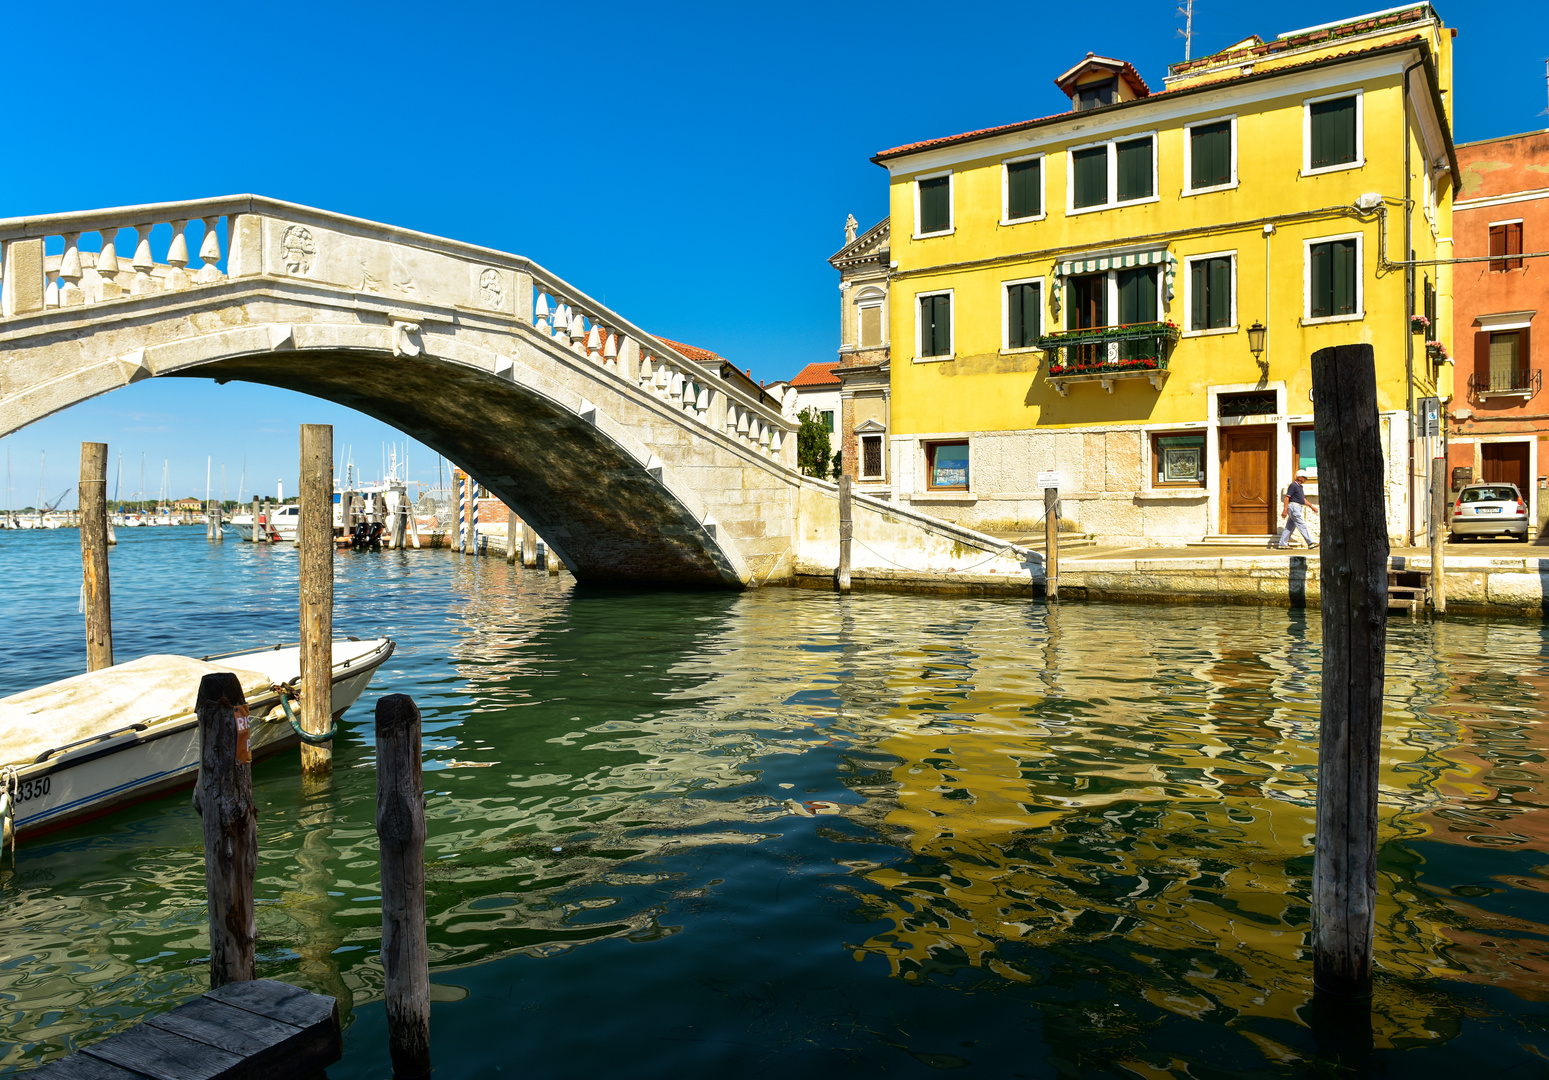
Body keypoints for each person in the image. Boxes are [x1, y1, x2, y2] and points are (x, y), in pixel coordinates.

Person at [1275, 472, 1315, 549]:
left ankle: (1283, 543)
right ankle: (1310, 543)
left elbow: (1302, 499)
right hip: (1294, 507)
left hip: (1297, 507)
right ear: (1299, 477)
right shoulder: (1294, 485)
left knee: (1289, 527)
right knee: (1302, 525)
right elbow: (1287, 497)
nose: (1305, 479)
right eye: (1304, 477)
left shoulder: (1300, 487)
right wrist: (1285, 510)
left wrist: (1312, 506)